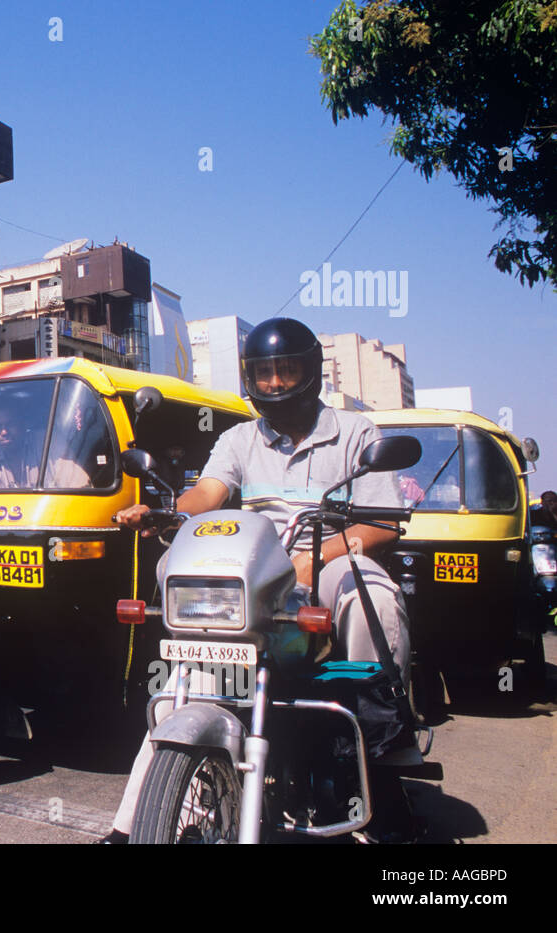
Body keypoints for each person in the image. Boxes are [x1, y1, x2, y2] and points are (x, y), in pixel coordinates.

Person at [100, 317, 415, 843]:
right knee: (190, 668)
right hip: (260, 566)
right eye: (264, 373)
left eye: (285, 370)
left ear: (310, 372)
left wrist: (315, 561)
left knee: (373, 595)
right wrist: (169, 513)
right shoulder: (238, 438)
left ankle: (380, 749)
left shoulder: (356, 432)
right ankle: (133, 822)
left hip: (329, 555)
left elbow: (380, 525)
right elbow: (209, 493)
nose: (274, 383)